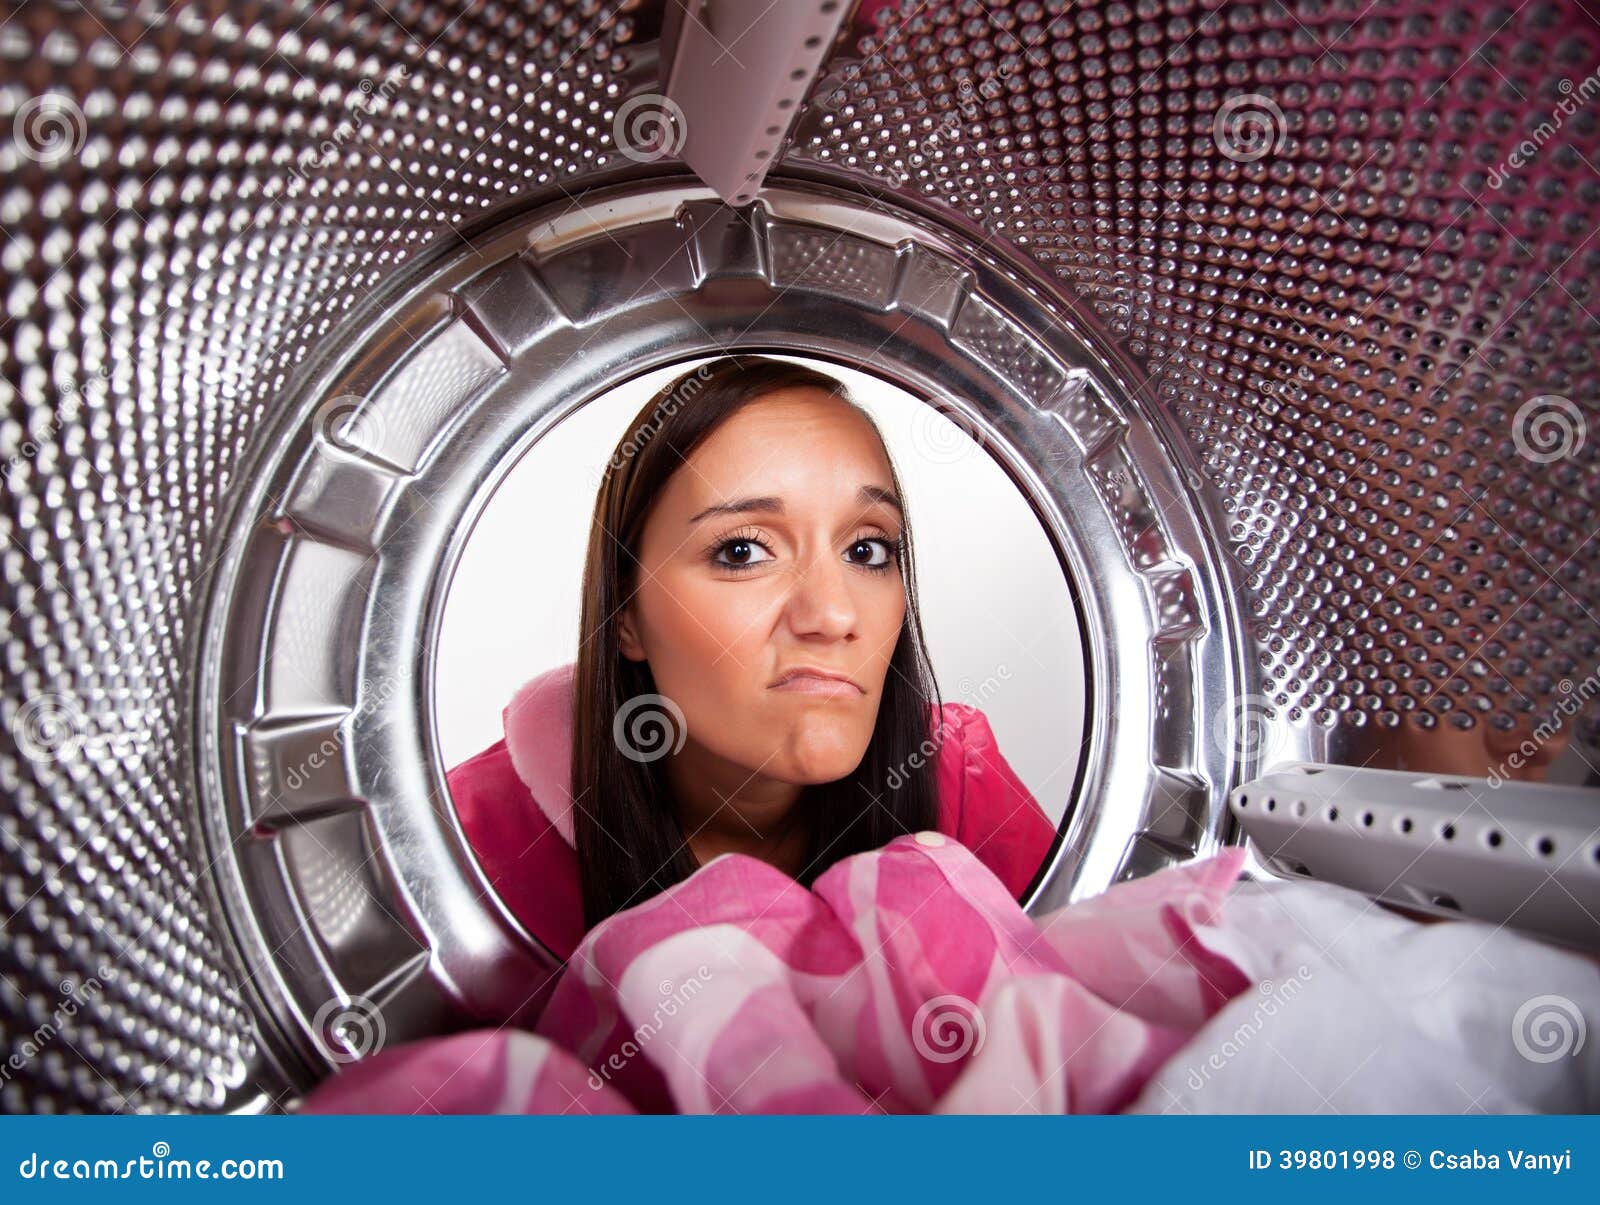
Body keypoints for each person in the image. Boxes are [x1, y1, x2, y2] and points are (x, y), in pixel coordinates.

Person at [445, 356, 1059, 963]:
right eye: (742, 551)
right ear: (626, 613)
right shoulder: (467, 846)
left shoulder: (960, 785)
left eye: (868, 549)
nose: (833, 616)